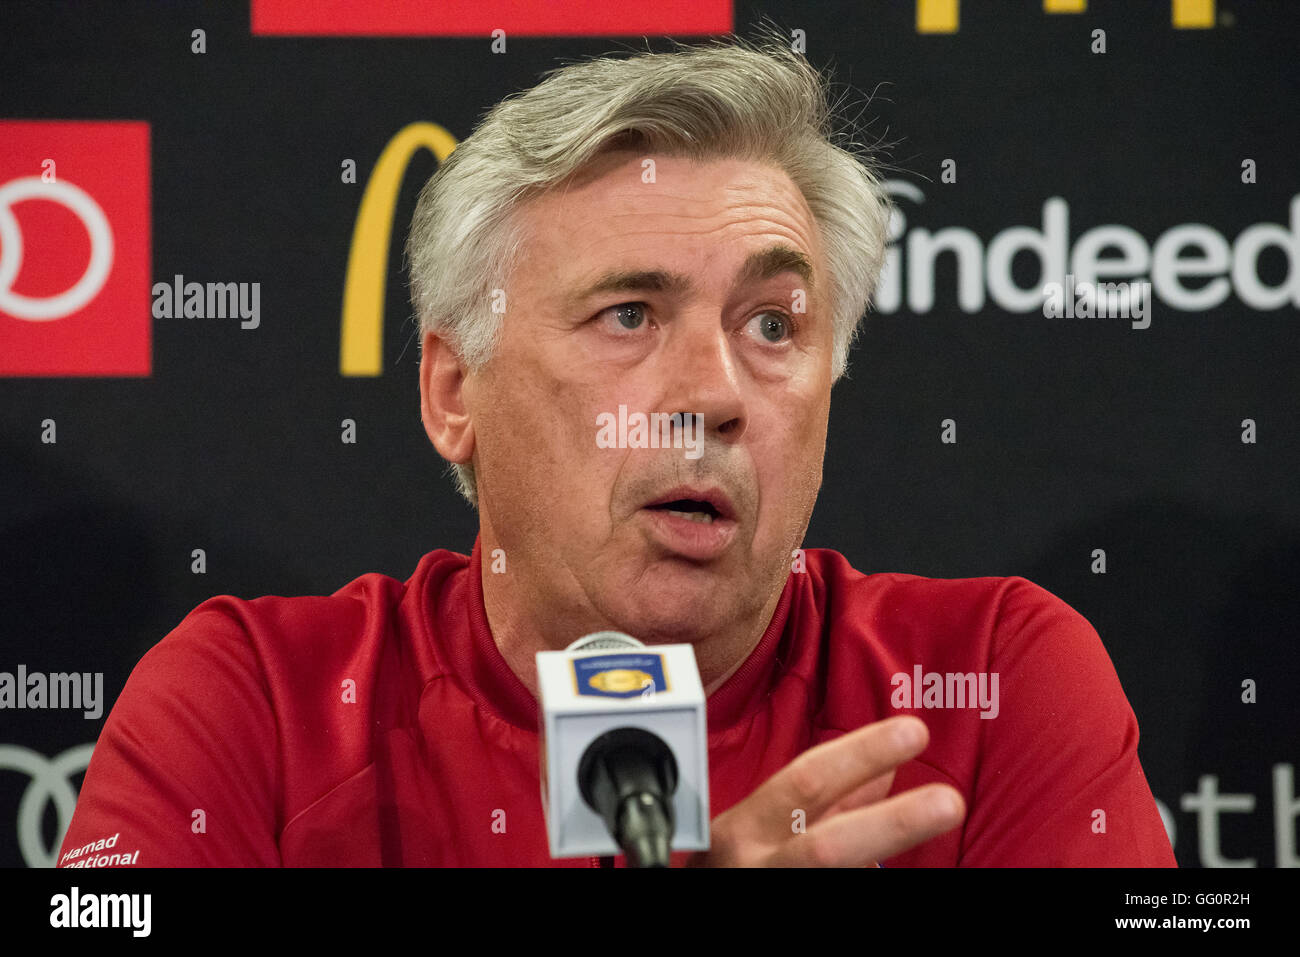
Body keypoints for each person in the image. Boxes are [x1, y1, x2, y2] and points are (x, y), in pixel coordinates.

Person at [57, 32, 1175, 868]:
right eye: (629, 316)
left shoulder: (993, 683)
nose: (713, 396)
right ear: (454, 394)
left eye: (773, 325)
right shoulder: (248, 703)